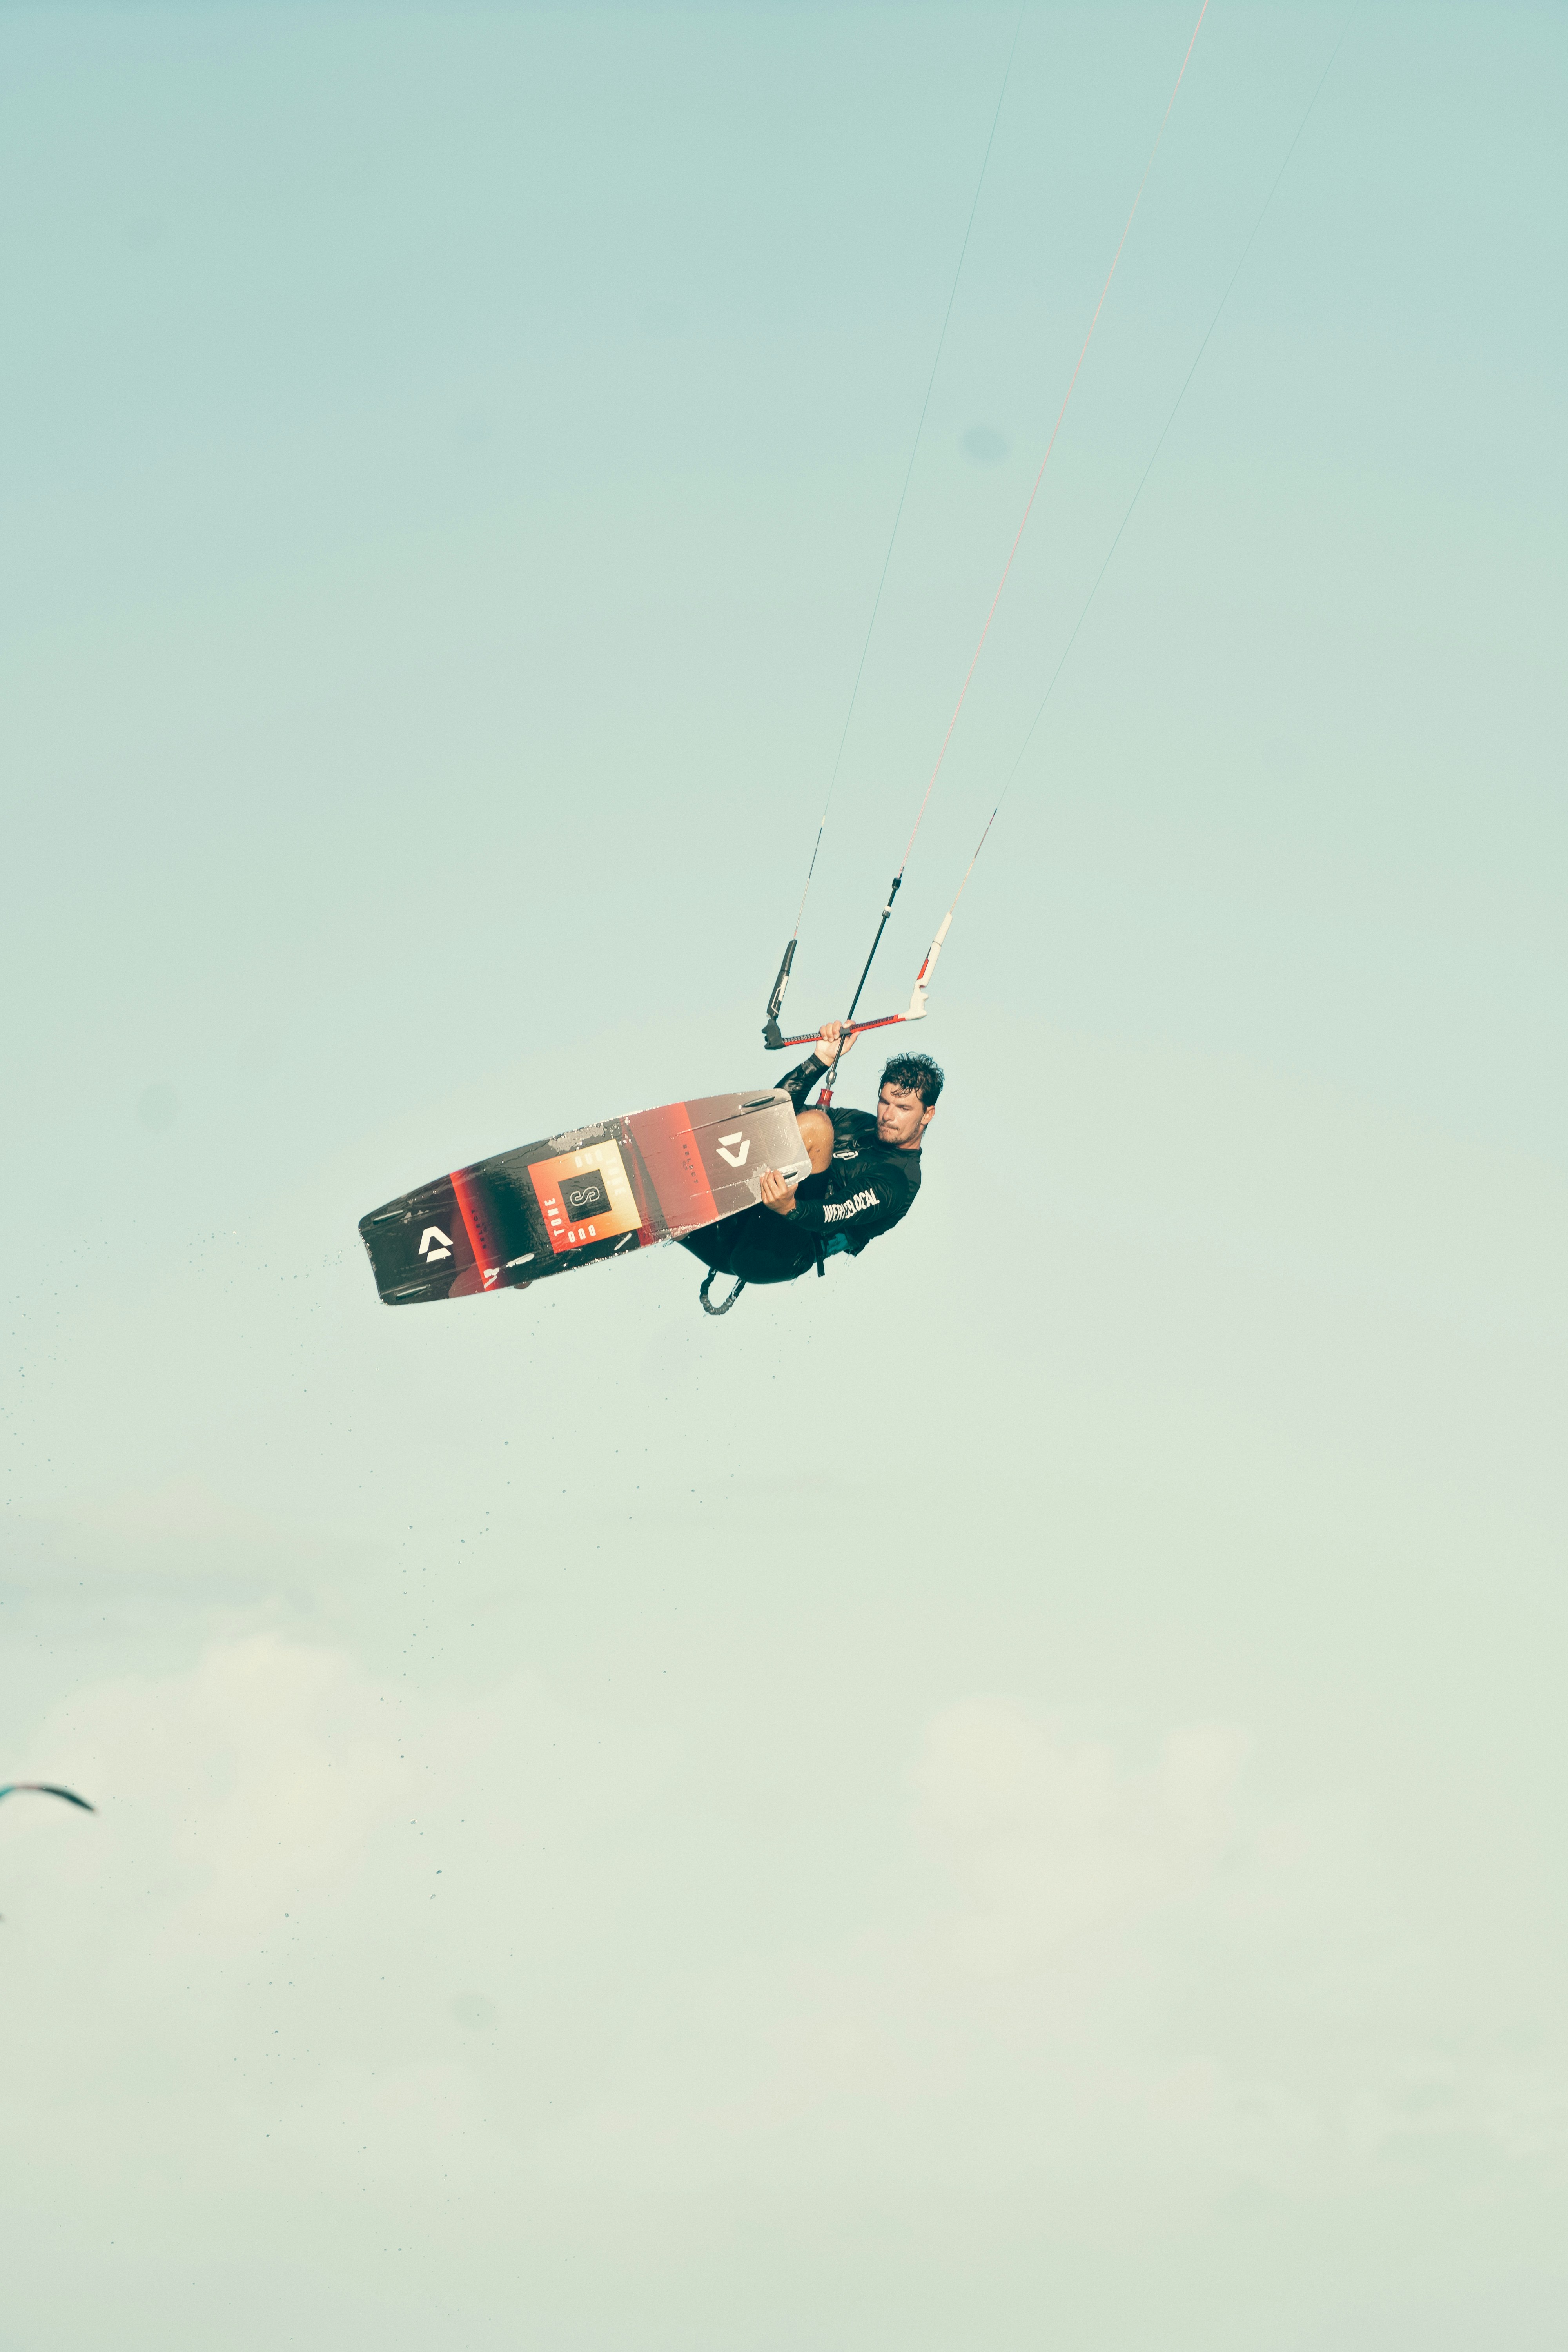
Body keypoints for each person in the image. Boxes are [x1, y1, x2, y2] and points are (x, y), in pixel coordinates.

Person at [680, 1022, 942, 1307]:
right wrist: (820, 1060)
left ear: (927, 1115)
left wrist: (789, 1209)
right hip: (734, 1231)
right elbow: (773, 1117)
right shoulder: (859, 1124)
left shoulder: (898, 1179)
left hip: (777, 1253)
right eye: (884, 1102)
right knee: (782, 1124)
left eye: (903, 1109)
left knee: (817, 1126)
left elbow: (835, 1211)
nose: (888, 1116)